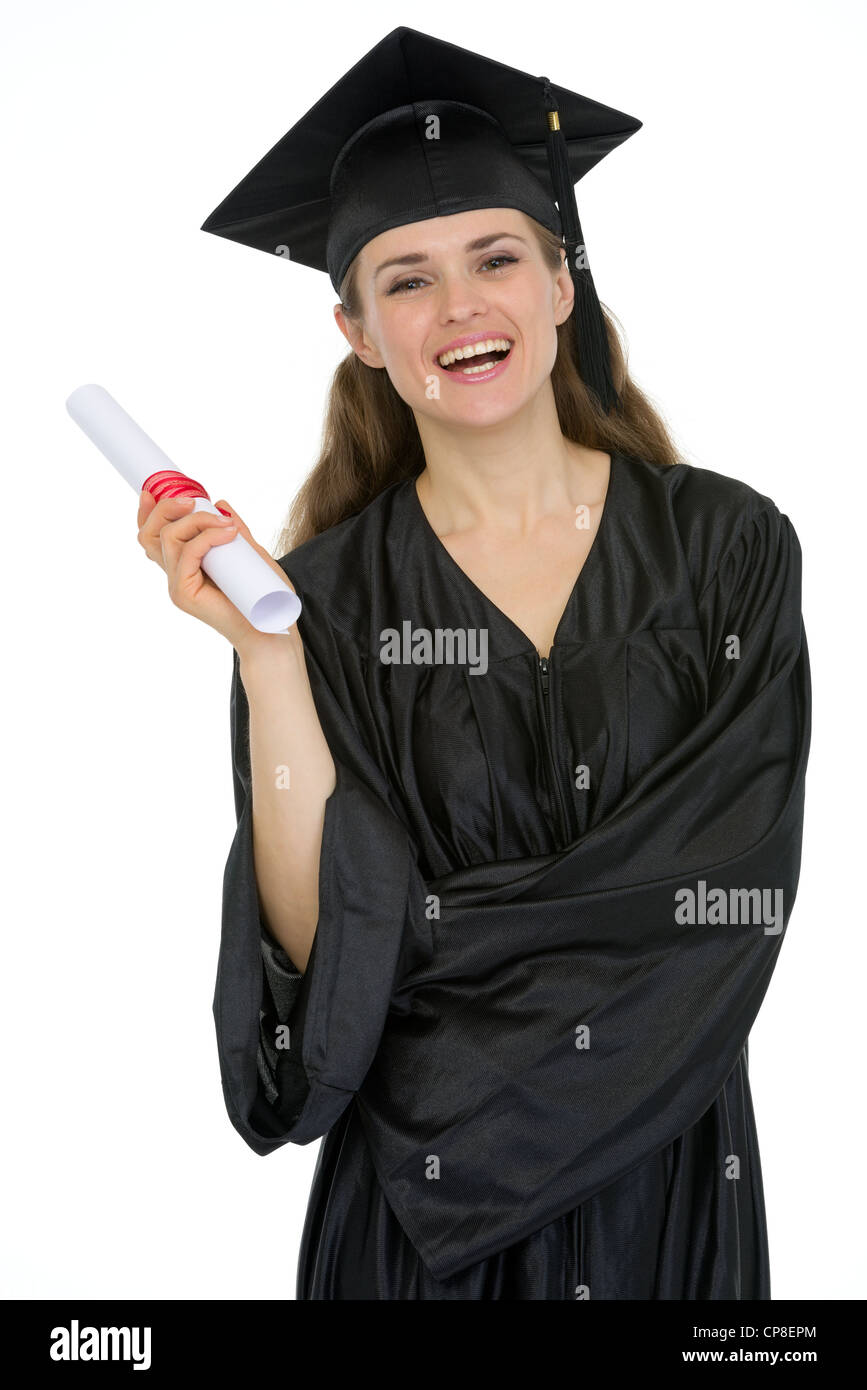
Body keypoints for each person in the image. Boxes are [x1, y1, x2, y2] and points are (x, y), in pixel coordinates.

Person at [138, 28, 811, 1299]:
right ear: (357, 328)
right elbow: (321, 957)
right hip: (414, 1217)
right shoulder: (319, 600)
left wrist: (425, 955)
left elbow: (725, 890)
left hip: (662, 1189)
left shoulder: (728, 549)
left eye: (497, 258)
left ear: (563, 284)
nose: (460, 309)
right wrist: (270, 666)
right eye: (407, 279)